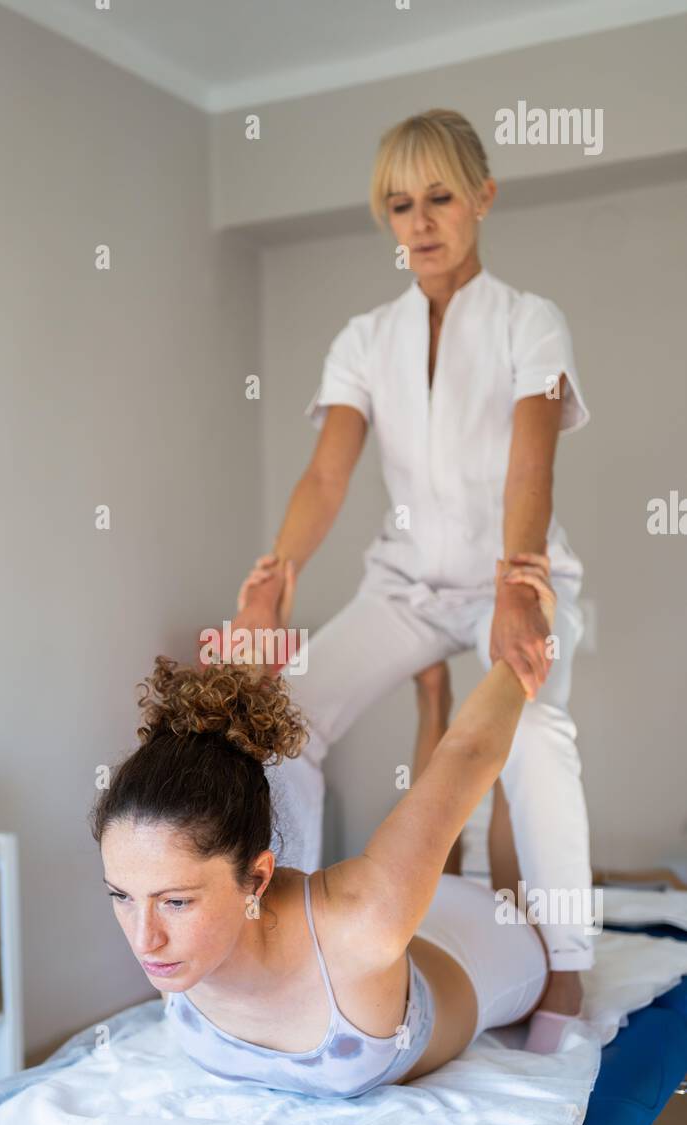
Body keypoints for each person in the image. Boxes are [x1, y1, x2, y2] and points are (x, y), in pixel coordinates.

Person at [231, 108, 597, 1022]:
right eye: (401, 205)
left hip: (513, 578)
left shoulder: (531, 322)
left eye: (440, 197)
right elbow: (328, 473)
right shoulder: (364, 339)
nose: (422, 221)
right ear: (385, 218)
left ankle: (566, 964)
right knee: (284, 722)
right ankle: (302, 925)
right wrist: (276, 576)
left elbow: (531, 461)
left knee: (536, 737)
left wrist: (521, 583)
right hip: (405, 583)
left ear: (483, 196)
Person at [91, 556, 563, 1101]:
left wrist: (521, 641)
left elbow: (468, 756)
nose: (143, 939)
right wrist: (260, 615)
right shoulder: (176, 933)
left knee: (495, 840)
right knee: (424, 867)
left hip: (488, 942)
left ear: (258, 877)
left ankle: (438, 702)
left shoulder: (364, 922)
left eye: (175, 903)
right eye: (121, 896)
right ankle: (432, 700)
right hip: (394, 948)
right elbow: (219, 734)